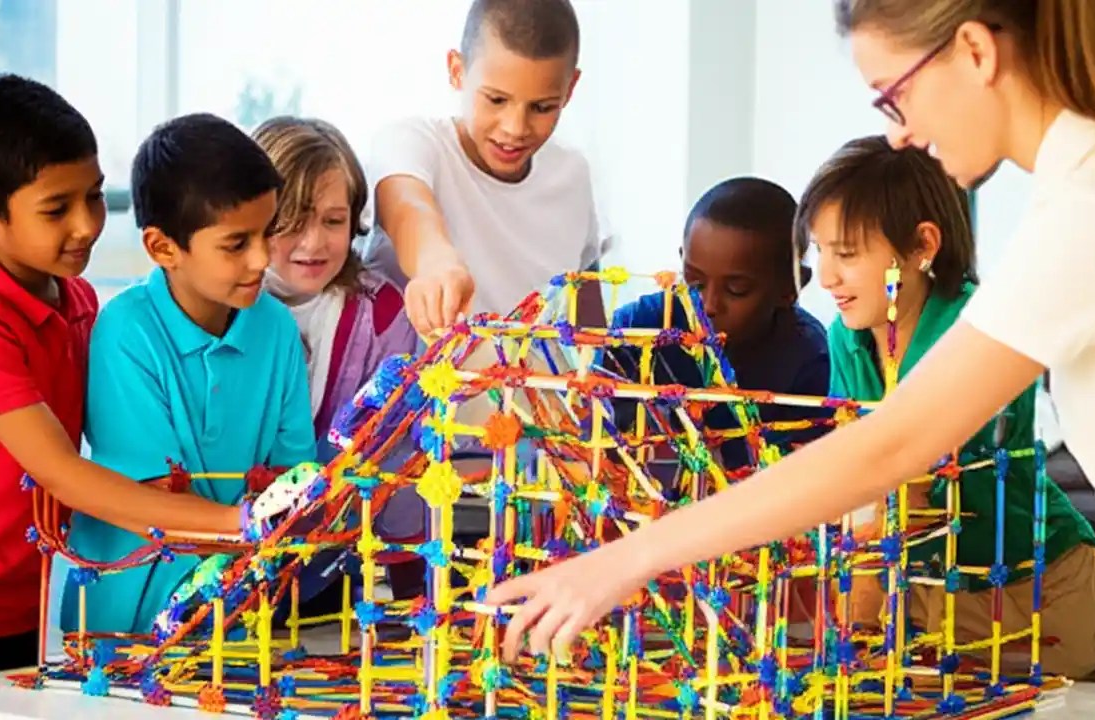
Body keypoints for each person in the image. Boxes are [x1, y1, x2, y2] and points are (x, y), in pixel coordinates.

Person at [487, 2, 1095, 716]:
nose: (902, 135)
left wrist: (624, 562)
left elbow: (890, 447)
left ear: (974, 52)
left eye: (894, 96)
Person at [0, 76, 239, 678]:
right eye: (56, 208)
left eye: (95, 196)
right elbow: (64, 473)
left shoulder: (79, 299)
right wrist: (236, 524)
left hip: (27, 606)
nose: (86, 224)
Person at [805, 135, 1095, 679]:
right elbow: (850, 470)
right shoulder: (844, 337)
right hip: (928, 592)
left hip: (1038, 590)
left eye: (846, 254)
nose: (825, 276)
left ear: (923, 246)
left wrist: (853, 600)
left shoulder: (983, 325)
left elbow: (911, 484)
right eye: (819, 251)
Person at [60, 114, 316, 635]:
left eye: (267, 233)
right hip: (120, 620)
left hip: (236, 619)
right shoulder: (125, 331)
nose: (263, 259)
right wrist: (252, 521)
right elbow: (153, 495)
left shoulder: (278, 330)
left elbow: (296, 477)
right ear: (162, 248)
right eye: (236, 243)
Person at [252, 115, 424, 613]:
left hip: (329, 579)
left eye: (333, 220)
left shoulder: (385, 314)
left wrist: (412, 584)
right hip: (222, 563)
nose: (314, 242)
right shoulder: (221, 307)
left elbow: (397, 456)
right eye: (293, 220)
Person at [369, 0, 611, 335]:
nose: (515, 128)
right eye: (496, 100)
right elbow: (408, 207)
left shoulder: (573, 173)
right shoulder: (412, 142)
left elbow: (590, 332)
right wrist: (436, 265)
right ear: (456, 70)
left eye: (542, 107)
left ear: (569, 89)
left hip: (534, 386)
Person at [605, 177, 830, 474]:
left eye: (736, 290)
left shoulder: (808, 358)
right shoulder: (637, 329)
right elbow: (600, 447)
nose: (709, 305)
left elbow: (800, 483)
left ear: (790, 288)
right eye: (694, 283)